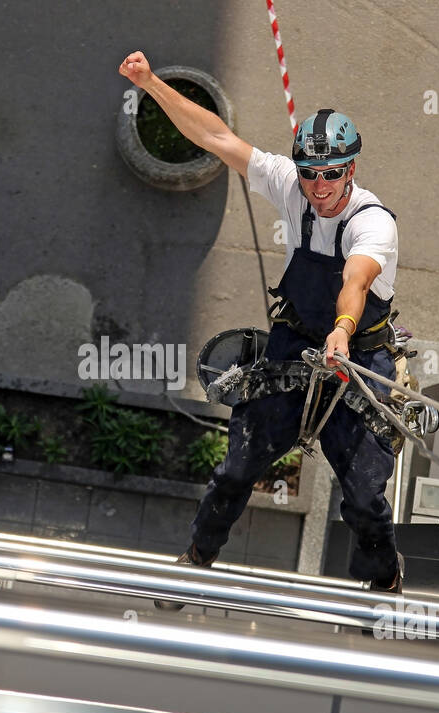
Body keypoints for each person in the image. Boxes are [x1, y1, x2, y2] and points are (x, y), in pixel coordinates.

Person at [117, 52, 404, 606]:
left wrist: (342, 332)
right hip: (297, 346)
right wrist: (150, 84)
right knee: (237, 467)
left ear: (352, 171)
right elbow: (216, 137)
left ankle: (382, 576)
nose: (318, 187)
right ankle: (196, 558)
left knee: (364, 495)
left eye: (331, 175)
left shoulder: (372, 223)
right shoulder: (290, 186)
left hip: (360, 357)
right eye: (309, 174)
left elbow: (356, 281)